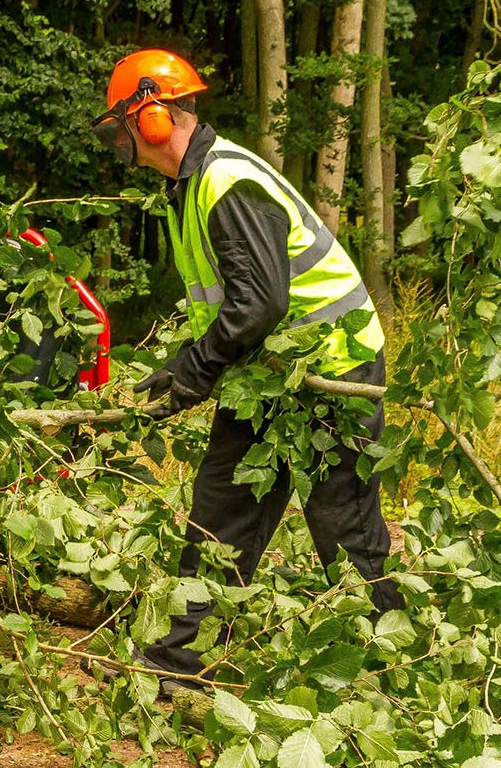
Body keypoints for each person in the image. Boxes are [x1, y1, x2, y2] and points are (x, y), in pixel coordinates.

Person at [92, 49, 403, 688]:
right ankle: (181, 660)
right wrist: (185, 367)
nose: (123, 143)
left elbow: (260, 302)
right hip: (264, 377)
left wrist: (196, 370)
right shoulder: (190, 187)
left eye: (122, 126)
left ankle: (395, 664)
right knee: (222, 511)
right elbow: (228, 303)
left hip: (329, 372)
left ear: (151, 117)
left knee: (341, 523)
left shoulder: (226, 181)